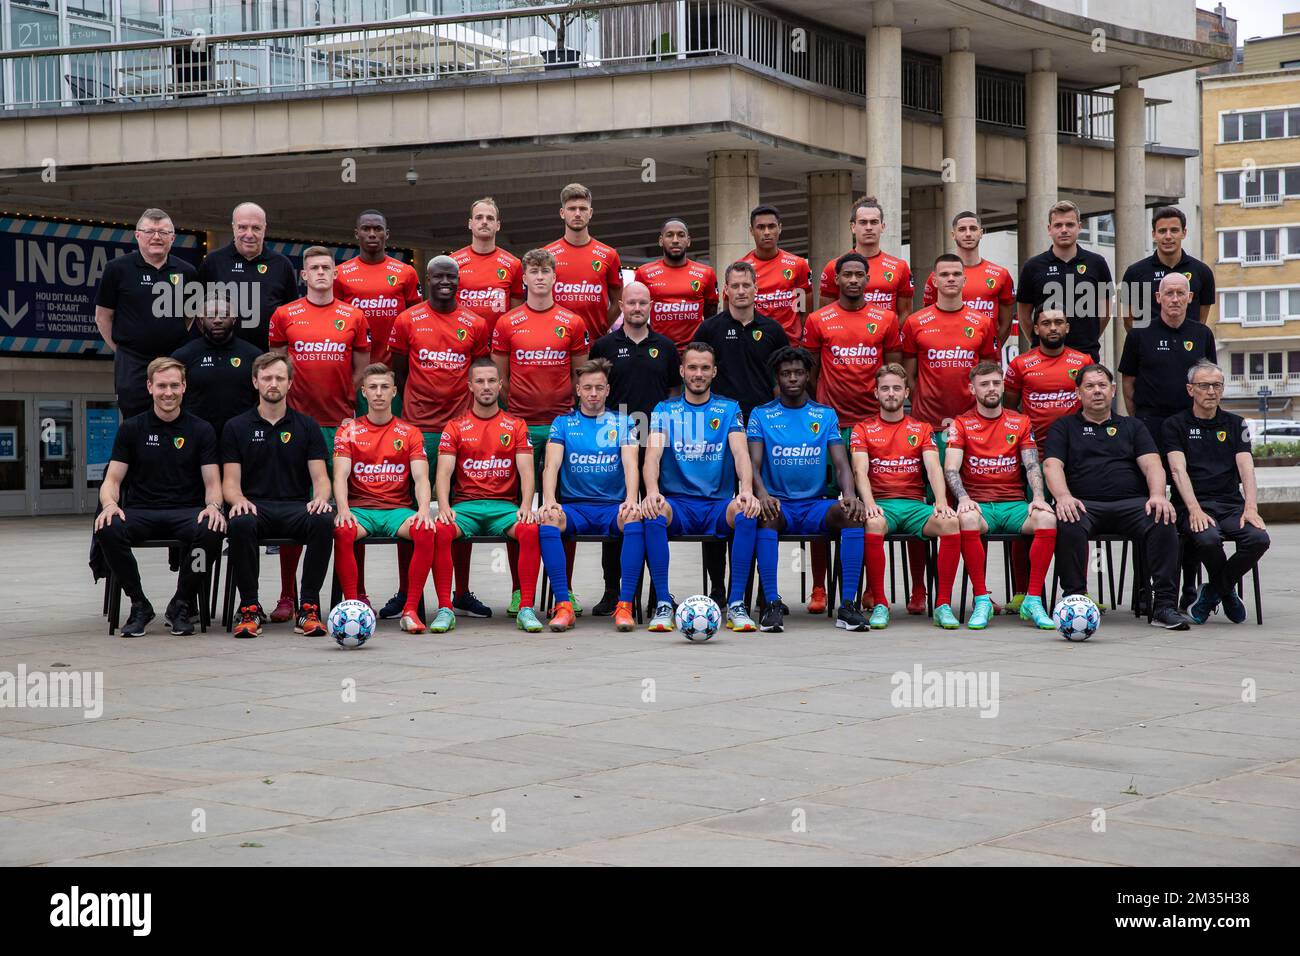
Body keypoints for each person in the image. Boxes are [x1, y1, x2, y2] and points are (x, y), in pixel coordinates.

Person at [382, 255, 492, 622]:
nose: (445, 282)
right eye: (438, 276)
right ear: (427, 279)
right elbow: (398, 370)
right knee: (411, 514)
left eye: (451, 277)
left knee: (455, 513)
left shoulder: (474, 323)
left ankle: (460, 593)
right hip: (417, 428)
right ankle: (404, 592)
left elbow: (480, 372)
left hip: (461, 429)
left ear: (458, 281)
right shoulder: (406, 319)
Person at [1042, 364, 1193, 630]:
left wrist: (1158, 495)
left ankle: (1164, 606)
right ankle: (1075, 600)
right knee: (1067, 520)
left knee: (1163, 518)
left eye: (1102, 386)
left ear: (1113, 391)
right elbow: (1052, 465)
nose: (1097, 392)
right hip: (1083, 504)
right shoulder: (1063, 427)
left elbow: (1153, 464)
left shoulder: (1132, 426)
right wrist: (1063, 496)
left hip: (1131, 504)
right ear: (1078, 393)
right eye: (1089, 386)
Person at [267, 246, 371, 619]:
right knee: (296, 509)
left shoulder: (353, 316)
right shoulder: (284, 315)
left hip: (340, 426)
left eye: (328, 267)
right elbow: (276, 369)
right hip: (294, 426)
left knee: (347, 511)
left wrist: (347, 408)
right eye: (315, 268)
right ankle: (286, 595)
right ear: (304, 275)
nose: (322, 273)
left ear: (335, 274)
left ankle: (356, 591)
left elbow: (362, 370)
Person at [93, 357, 225, 637]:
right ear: (150, 387)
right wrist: (109, 505)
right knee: (108, 527)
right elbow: (112, 479)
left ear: (184, 387)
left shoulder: (201, 430)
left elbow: (213, 482)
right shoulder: (132, 428)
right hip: (142, 512)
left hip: (187, 512)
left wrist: (213, 506)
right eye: (162, 385)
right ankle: (139, 603)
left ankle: (181, 602)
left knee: (211, 530)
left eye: (174, 385)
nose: (168, 392)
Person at [800, 251, 902, 613]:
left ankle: (867, 589)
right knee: (822, 503)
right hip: (830, 425)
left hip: (870, 426)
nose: (855, 280)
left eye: (861, 274)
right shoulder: (818, 319)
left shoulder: (886, 319)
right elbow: (810, 372)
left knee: (862, 509)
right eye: (848, 275)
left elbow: (893, 369)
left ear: (867, 279)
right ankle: (818, 587)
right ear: (837, 279)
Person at [493, 247, 590, 616]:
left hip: (561, 426)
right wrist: (518, 409)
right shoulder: (507, 323)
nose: (538, 277)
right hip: (519, 426)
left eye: (545, 271)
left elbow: (580, 377)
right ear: (524, 279)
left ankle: (564, 590)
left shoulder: (572, 321)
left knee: (559, 509)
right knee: (521, 512)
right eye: (532, 271)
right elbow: (500, 379)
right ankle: (520, 591)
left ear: (554, 278)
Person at [899, 253, 997, 614]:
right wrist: (928, 418)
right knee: (923, 509)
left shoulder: (982, 323)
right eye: (945, 274)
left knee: (968, 508)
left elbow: (987, 371)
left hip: (970, 429)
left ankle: (979, 593)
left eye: (958, 273)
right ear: (934, 281)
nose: (952, 279)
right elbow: (909, 375)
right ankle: (920, 589)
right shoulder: (915, 322)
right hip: (928, 429)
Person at [641, 342, 762, 633]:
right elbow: (652, 456)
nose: (698, 373)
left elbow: (741, 454)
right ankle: (663, 603)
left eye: (705, 368)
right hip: (678, 505)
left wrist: (746, 489)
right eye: (692, 367)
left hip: (717, 506)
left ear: (714, 372)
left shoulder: (729, 408)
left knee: (746, 511)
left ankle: (736, 605)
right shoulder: (663, 409)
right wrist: (652, 491)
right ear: (682, 371)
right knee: (654, 512)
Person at [746, 347, 868, 633]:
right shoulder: (761, 415)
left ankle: (848, 606)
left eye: (798, 373)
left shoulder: (824, 415)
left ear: (808, 375)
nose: (792, 378)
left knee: (851, 515)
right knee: (766, 515)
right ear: (777, 377)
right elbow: (752, 463)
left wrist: (849, 494)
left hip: (815, 505)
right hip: (780, 505)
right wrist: (762, 494)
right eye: (786, 373)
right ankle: (772, 604)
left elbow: (841, 464)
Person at [1118, 271, 1219, 610]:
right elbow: (1128, 384)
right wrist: (1138, 424)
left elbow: (1209, 383)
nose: (1175, 298)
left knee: (1191, 508)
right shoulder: (1140, 334)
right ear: (1158, 298)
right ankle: (1146, 591)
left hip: (1191, 429)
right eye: (1169, 293)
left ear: (1190, 298)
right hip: (1151, 426)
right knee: (1151, 507)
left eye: (1181, 293)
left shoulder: (1202, 334)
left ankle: (1188, 587)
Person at [694, 261, 789, 607]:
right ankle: (719, 588)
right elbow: (699, 377)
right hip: (718, 431)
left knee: (760, 505)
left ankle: (764, 589)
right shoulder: (710, 329)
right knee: (720, 506)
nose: (741, 291)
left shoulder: (773, 330)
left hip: (761, 430)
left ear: (755, 288)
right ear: (725, 291)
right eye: (734, 286)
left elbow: (782, 383)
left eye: (746, 285)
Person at [221, 351, 335, 638]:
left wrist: (321, 498)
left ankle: (308, 607)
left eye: (280, 378)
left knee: (323, 519)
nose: (273, 383)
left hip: (295, 507)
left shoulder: (307, 425)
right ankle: (249, 607)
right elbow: (230, 482)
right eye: (267, 378)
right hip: (256, 507)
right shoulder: (236, 427)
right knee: (240, 521)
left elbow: (321, 478)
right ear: (255, 382)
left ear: (290, 383)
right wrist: (238, 501)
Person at [587, 282, 680, 615]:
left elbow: (673, 393)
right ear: (622, 306)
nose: (637, 308)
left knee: (654, 513)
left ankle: (659, 593)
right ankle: (614, 591)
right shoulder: (604, 345)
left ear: (650, 305)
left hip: (656, 441)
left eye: (643, 303)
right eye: (631, 303)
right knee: (621, 514)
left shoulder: (667, 347)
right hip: (616, 440)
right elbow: (594, 390)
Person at [942, 361, 1058, 630]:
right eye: (984, 384)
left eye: (996, 382)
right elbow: (951, 468)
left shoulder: (1019, 421)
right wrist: (962, 498)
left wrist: (1038, 497)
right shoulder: (961, 423)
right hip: (980, 506)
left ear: (1003, 385)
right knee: (968, 520)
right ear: (972, 389)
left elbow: (1031, 464)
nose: (991, 389)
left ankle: (1032, 598)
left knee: (1047, 519)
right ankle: (982, 598)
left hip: (1014, 504)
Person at [431, 358, 543, 634]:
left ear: (500, 384)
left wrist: (527, 505)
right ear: (469, 386)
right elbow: (443, 474)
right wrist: (444, 506)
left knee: (530, 529)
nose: (486, 386)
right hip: (466, 509)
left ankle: (526, 607)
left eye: (492, 381)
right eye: (479, 381)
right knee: (441, 529)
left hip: (503, 509)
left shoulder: (516, 425)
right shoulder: (455, 427)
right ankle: (446, 608)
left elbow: (527, 472)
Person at [850, 365, 963, 630]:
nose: (891, 394)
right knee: (873, 523)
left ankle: (943, 604)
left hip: (914, 506)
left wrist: (941, 502)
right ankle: (880, 603)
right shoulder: (862, 428)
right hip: (883, 505)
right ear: (876, 393)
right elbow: (859, 470)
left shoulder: (922, 428)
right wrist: (869, 505)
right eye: (886, 389)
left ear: (907, 392)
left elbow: (934, 467)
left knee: (950, 523)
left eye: (897, 388)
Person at [538, 359, 646, 632]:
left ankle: (625, 606)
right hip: (575, 509)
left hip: (612, 508)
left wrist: (632, 499)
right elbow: (551, 465)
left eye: (599, 387)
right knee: (549, 520)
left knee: (634, 519)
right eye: (588, 388)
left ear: (608, 390)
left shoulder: (624, 422)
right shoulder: (563, 423)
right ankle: (563, 605)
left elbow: (631, 464)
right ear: (578, 390)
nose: (593, 393)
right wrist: (549, 500)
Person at [331, 365, 435, 634]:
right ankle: (353, 606)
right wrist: (342, 509)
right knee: (342, 529)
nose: (379, 393)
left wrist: (424, 509)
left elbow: (422, 478)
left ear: (394, 392)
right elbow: (340, 476)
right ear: (364, 392)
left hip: (396, 512)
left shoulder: (410, 432)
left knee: (425, 529)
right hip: (361, 511)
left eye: (384, 387)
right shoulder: (348, 431)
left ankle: (410, 610)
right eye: (373, 388)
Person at [1001, 308, 1093, 611]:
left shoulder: (1082, 362)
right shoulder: (1020, 364)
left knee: (1075, 522)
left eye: (1058, 323)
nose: (1052, 327)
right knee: (1025, 524)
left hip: (1073, 459)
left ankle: (1079, 591)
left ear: (1066, 327)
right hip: (1031, 458)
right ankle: (1024, 593)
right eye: (1046, 323)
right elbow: (1010, 411)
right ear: (1035, 329)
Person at [1164, 361, 1269, 625]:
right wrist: (1194, 509)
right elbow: (1177, 471)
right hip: (1194, 506)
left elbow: (1247, 468)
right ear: (1190, 390)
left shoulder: (1236, 423)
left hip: (1231, 505)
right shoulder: (1174, 425)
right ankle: (1228, 592)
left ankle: (1213, 591)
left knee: (1259, 539)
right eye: (1203, 385)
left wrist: (1251, 507)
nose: (1211, 391)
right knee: (1208, 539)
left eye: (1216, 385)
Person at [94, 208, 199, 417]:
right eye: (150, 231)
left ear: (173, 238)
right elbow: (103, 317)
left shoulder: (187, 272)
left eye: (163, 232)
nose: (157, 237)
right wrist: (123, 350)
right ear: (137, 235)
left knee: (176, 419)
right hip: (133, 362)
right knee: (135, 421)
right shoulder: (117, 269)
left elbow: (190, 315)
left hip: (174, 359)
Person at [1016, 199, 1113, 361]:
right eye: (1058, 225)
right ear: (1049, 229)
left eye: (1070, 225)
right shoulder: (1033, 266)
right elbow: (1024, 315)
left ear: (1079, 227)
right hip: (1045, 355)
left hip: (1085, 354)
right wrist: (1040, 341)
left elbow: (1105, 312)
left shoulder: (1097, 263)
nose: (1064, 230)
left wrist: (1088, 339)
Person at [333, 210, 422, 383]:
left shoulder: (407, 273)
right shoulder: (340, 274)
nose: (372, 234)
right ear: (357, 233)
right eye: (366, 229)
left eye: (378, 229)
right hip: (353, 372)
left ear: (386, 234)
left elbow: (416, 322)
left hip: (396, 371)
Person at [196, 202, 298, 351]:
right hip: (223, 355)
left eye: (256, 228)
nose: (249, 234)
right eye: (242, 227)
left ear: (264, 228)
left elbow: (291, 316)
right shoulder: (213, 262)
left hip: (268, 357)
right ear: (233, 227)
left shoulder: (282, 264)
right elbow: (197, 311)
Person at [921, 211, 1016, 351]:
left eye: (973, 229)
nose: (968, 234)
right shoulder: (937, 276)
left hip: (987, 359)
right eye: (962, 229)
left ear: (981, 233)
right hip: (949, 355)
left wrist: (989, 349)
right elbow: (929, 319)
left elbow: (1006, 323)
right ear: (953, 235)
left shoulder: (1001, 274)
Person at [173, 292, 262, 439]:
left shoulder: (254, 355)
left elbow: (259, 399)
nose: (217, 320)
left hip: (241, 435)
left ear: (234, 318)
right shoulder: (183, 356)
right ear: (201, 320)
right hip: (196, 436)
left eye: (224, 315)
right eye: (210, 316)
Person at [817, 196, 913, 329]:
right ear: (853, 227)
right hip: (845, 344)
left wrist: (888, 339)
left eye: (874, 222)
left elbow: (905, 314)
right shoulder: (833, 267)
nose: (868, 227)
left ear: (882, 226)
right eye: (863, 222)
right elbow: (824, 315)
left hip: (884, 344)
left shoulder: (900, 267)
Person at [545, 183, 623, 339]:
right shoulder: (547, 254)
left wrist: (601, 328)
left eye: (583, 209)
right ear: (562, 213)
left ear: (591, 212)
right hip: (555, 344)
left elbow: (619, 301)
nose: (578, 214)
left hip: (595, 345)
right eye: (572, 209)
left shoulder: (609, 254)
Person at [1120, 206, 1216, 332]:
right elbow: (1128, 321)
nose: (1168, 236)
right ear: (1154, 234)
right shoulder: (1135, 273)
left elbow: (1201, 321)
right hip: (1149, 349)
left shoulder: (1202, 272)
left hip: (1188, 348)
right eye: (1162, 231)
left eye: (1174, 230)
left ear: (1184, 233)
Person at [634, 219, 719, 353]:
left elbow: (711, 314)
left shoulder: (706, 273)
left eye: (681, 235)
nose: (675, 240)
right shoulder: (644, 273)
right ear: (661, 241)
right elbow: (636, 312)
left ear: (688, 241)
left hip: (694, 351)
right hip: (657, 350)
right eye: (669, 235)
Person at [451, 196, 524, 336]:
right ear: (470, 224)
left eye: (490, 218)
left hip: (498, 345)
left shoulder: (514, 264)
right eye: (479, 217)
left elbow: (516, 314)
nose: (484, 222)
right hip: (461, 341)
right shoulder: (453, 262)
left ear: (498, 225)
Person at [741, 205, 811, 340]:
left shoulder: (798, 264)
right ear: (751, 231)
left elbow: (805, 309)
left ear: (780, 228)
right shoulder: (741, 268)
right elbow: (730, 309)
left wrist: (802, 339)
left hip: (790, 343)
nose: (766, 232)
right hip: (754, 342)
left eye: (771, 226)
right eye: (761, 227)